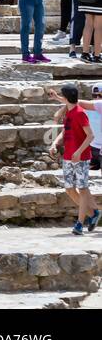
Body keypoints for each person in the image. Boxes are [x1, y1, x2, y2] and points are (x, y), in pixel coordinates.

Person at [48, 85, 98, 234]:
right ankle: (93, 214)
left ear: (67, 98)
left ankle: (79, 224)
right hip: (68, 156)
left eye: (62, 96)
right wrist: (54, 143)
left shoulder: (80, 113)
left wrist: (79, 151)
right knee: (69, 189)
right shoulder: (69, 112)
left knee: (82, 189)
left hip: (80, 158)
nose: (60, 98)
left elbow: (90, 136)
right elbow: (65, 131)